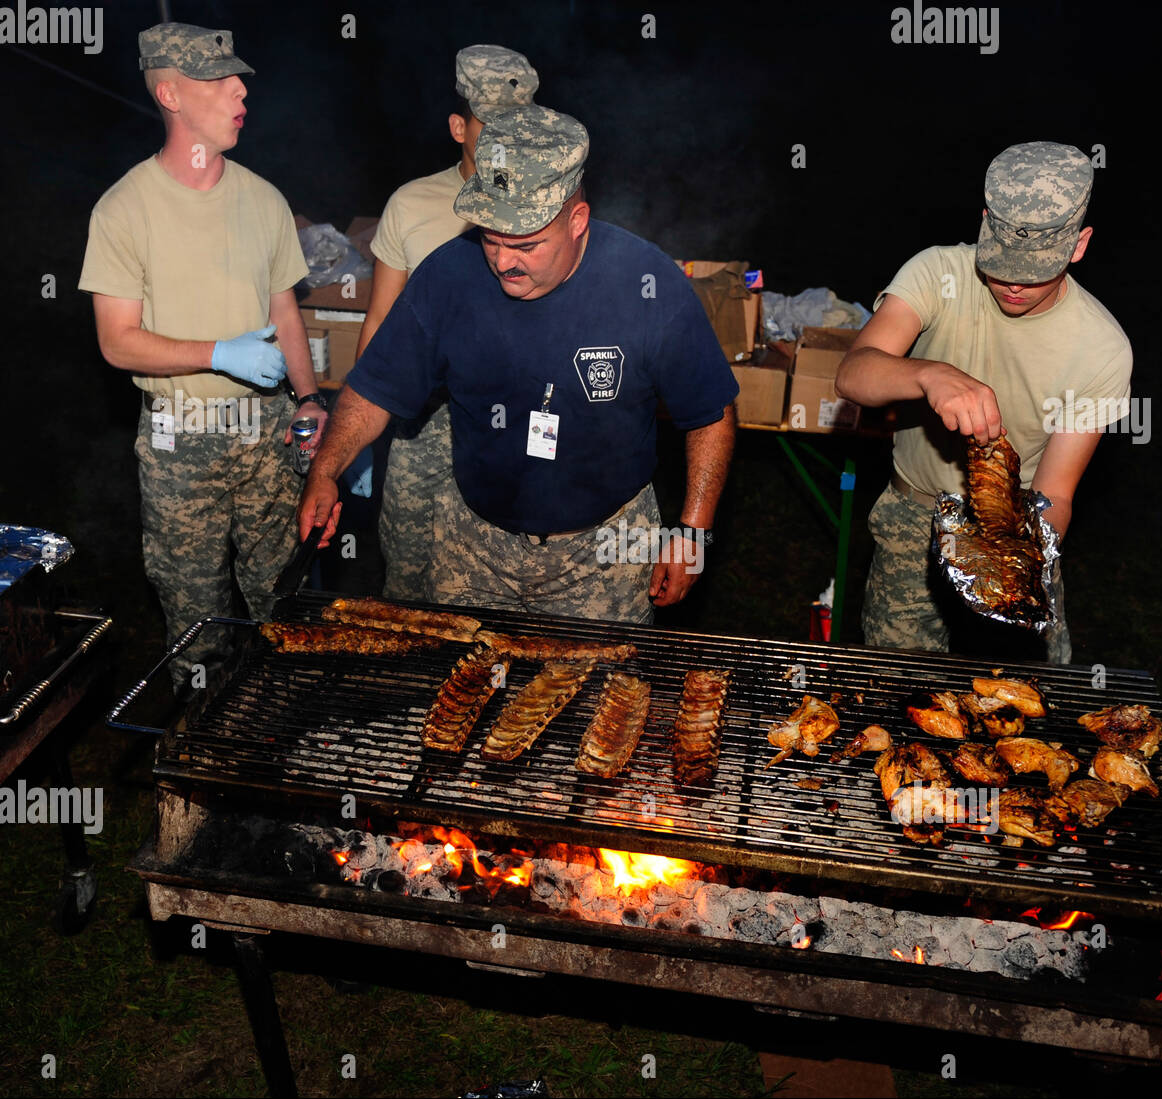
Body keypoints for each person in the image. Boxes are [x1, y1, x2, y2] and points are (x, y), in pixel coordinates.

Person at [300, 105, 737, 622]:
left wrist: (692, 532)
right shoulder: (448, 277)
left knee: (596, 699)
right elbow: (373, 388)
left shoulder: (648, 284)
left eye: (526, 245)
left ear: (577, 222)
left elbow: (710, 413)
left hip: (607, 552)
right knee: (460, 693)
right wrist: (326, 470)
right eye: (491, 237)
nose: (504, 261)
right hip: (473, 546)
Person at [78, 23, 325, 685]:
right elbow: (116, 340)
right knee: (193, 606)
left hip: (269, 429)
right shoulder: (124, 210)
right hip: (178, 434)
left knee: (283, 594)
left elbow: (284, 311)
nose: (241, 88)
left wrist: (308, 401)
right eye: (218, 79)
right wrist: (217, 352)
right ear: (170, 93)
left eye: (239, 76)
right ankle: (201, 752)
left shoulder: (263, 198)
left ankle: (282, 722)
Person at [835, 141, 1132, 664]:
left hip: (1017, 525)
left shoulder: (1102, 348)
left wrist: (1015, 558)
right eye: (1001, 261)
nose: (1014, 281)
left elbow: (1056, 493)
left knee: (1030, 705)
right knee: (901, 691)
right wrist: (929, 374)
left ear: (1079, 245)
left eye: (1036, 267)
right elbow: (853, 375)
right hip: (914, 513)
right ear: (983, 225)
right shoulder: (937, 274)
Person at [361, 44, 539, 601]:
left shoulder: (545, 205)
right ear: (459, 126)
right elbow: (381, 324)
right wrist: (363, 431)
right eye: (491, 126)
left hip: (511, 420)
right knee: (409, 585)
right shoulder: (412, 204)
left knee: (498, 586)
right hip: (423, 423)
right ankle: (411, 688)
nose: (506, 140)